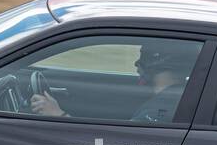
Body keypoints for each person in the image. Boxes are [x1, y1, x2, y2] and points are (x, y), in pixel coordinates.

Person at [29, 44, 191, 122]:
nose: (136, 64)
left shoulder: (159, 112)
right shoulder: (174, 98)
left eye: (144, 58)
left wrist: (58, 115)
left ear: (159, 63)